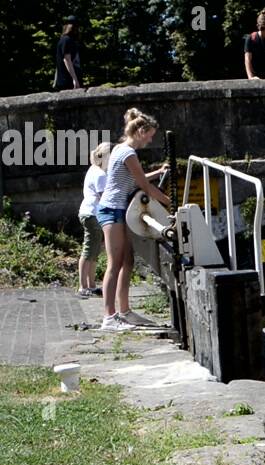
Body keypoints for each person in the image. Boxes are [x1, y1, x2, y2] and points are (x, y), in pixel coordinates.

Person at [96, 108, 170, 332]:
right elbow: (144, 186)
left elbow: (133, 179)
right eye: (149, 135)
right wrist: (168, 203)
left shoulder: (120, 149)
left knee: (127, 261)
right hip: (112, 210)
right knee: (114, 264)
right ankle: (109, 318)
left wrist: (157, 172)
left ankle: (125, 312)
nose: (150, 139)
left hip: (117, 210)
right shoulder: (128, 153)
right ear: (140, 131)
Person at [77, 142, 111, 298]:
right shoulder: (100, 174)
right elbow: (105, 197)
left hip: (90, 212)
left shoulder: (93, 169)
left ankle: (91, 285)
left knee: (94, 251)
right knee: (89, 249)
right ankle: (83, 286)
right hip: (92, 213)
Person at [54, 17, 82, 91]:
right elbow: (67, 60)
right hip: (67, 82)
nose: (78, 30)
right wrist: (74, 79)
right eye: (77, 27)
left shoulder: (69, 40)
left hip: (70, 82)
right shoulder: (66, 40)